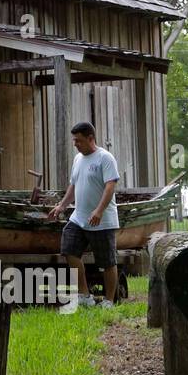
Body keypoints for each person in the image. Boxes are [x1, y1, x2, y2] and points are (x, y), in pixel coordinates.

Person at [46, 121, 120, 309]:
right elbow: (73, 185)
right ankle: (85, 295)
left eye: (78, 141)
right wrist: (62, 206)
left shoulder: (105, 158)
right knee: (69, 250)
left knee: (107, 262)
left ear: (90, 138)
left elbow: (110, 186)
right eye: (74, 140)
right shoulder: (78, 159)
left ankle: (108, 300)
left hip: (101, 220)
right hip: (79, 218)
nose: (75, 144)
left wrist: (99, 211)